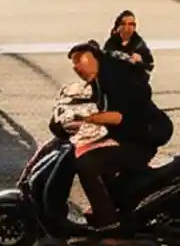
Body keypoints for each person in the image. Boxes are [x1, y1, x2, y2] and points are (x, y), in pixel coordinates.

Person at [64, 41, 157, 235]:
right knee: (94, 153)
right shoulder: (101, 76)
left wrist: (85, 118)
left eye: (80, 61)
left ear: (93, 58)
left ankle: (108, 225)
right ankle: (106, 207)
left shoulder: (113, 78)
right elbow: (97, 103)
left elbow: (117, 115)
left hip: (138, 140)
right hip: (130, 134)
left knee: (86, 164)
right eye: (75, 65)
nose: (77, 68)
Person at [102, 10, 154, 79]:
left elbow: (149, 65)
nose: (127, 28)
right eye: (124, 24)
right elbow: (105, 62)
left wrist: (140, 61)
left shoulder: (139, 43)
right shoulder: (111, 43)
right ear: (119, 26)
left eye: (131, 24)